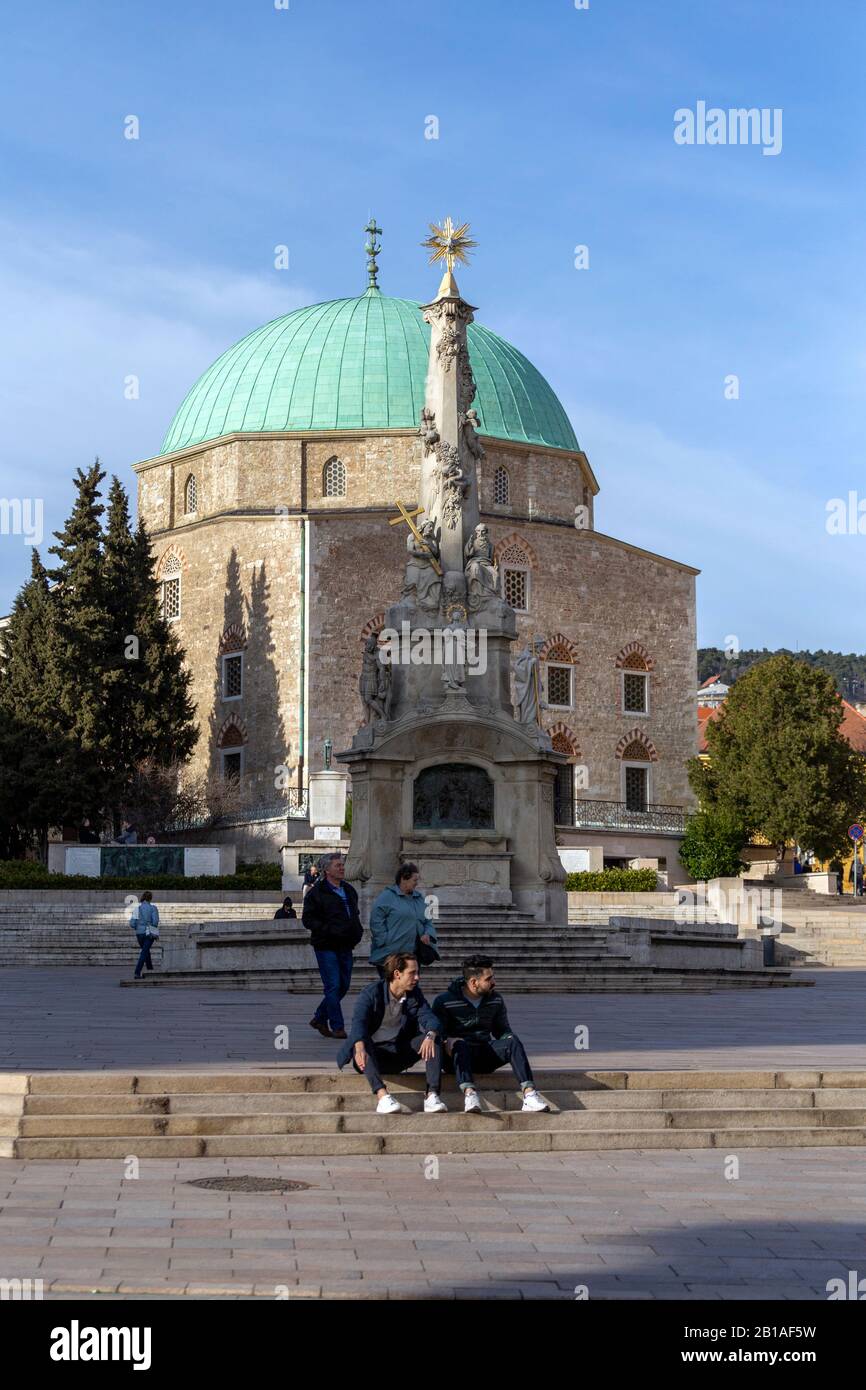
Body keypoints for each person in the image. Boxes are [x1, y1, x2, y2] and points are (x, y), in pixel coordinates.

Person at [433, 956, 549, 1114]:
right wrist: (448, 1040)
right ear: (474, 982)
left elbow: (502, 1030)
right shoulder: (444, 1001)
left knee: (513, 1041)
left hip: (483, 1054)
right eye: (489, 979)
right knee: (459, 1044)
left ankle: (529, 1095)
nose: (494, 982)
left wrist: (508, 1038)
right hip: (457, 1058)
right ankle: (470, 1095)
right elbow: (437, 1032)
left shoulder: (495, 999)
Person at [337, 952, 446, 1115]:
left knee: (432, 1038)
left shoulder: (414, 994)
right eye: (412, 973)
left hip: (399, 1052)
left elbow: (430, 1018)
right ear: (397, 974)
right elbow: (359, 1023)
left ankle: (432, 1095)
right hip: (373, 1057)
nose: (417, 978)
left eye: (417, 973)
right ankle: (382, 1096)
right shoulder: (371, 993)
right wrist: (359, 1047)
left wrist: (430, 1035)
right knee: (361, 1043)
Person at [301, 853, 363, 1039]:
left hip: (346, 945)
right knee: (333, 985)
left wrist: (356, 931)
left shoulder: (349, 890)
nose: (342, 868)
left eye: (342, 865)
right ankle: (337, 1026)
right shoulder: (317, 893)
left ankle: (320, 1017)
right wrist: (328, 929)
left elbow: (354, 914)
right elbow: (308, 919)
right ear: (327, 870)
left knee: (343, 985)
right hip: (326, 945)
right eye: (338, 865)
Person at [369, 862, 437, 977]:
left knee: (411, 988)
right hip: (391, 955)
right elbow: (376, 921)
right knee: (391, 989)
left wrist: (428, 934)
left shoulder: (419, 898)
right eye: (414, 880)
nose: (417, 883)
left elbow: (428, 921)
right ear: (403, 879)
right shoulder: (387, 896)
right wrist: (384, 940)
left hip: (413, 955)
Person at [132, 890, 160, 980]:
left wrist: (138, 927)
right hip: (148, 933)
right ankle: (137, 972)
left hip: (139, 934)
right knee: (144, 952)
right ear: (150, 898)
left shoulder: (137, 909)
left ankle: (150, 970)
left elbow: (132, 923)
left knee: (146, 951)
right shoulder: (153, 908)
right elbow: (155, 922)